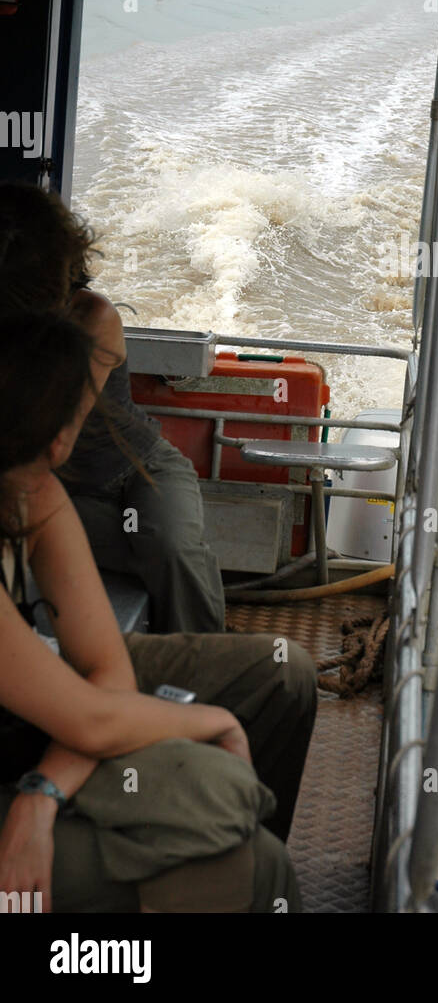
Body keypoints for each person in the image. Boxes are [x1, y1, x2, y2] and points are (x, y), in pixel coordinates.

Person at [0, 312, 316, 912]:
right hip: (38, 726)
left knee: (282, 671)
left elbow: (105, 675)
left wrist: (46, 789)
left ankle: (232, 839)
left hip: (54, 705)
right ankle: (232, 859)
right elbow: (91, 719)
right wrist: (210, 723)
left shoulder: (36, 490)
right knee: (249, 861)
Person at [0, 182, 224, 633]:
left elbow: (55, 439)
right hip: (66, 494)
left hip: (136, 476)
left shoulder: (94, 318)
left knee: (168, 547)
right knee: (140, 542)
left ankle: (206, 668)